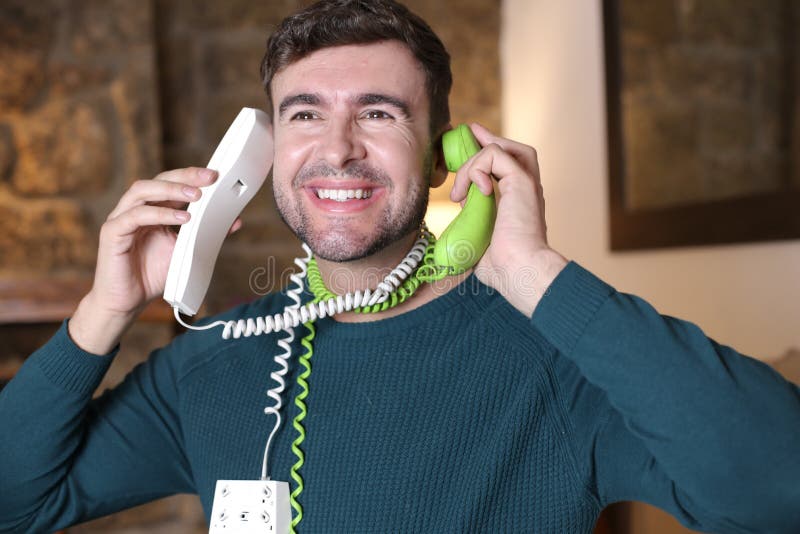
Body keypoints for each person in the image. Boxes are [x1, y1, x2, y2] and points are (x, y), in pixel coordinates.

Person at [1, 0, 799, 532]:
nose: (338, 149)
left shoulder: (556, 357)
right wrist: (104, 311)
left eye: (378, 113)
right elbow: (14, 502)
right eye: (305, 114)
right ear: (268, 151)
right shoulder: (213, 363)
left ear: (444, 152)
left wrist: (535, 274)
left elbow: (780, 488)